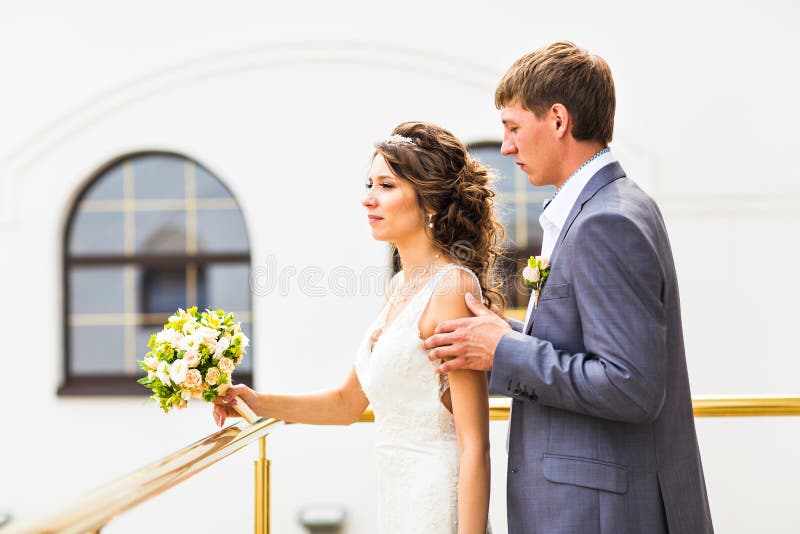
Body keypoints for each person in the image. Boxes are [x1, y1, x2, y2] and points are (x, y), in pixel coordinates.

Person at [424, 42, 714, 533]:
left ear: (558, 120)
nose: (508, 146)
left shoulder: (607, 222)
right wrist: (504, 334)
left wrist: (504, 352)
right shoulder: (607, 208)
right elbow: (590, 343)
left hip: (598, 515)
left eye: (513, 127)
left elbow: (632, 385)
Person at [213, 121, 503, 533]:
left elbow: (475, 445)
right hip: (396, 502)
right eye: (369, 184)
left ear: (430, 201)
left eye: (386, 186)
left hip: (438, 502)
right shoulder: (398, 288)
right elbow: (347, 404)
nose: (368, 199)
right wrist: (256, 403)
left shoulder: (451, 287)